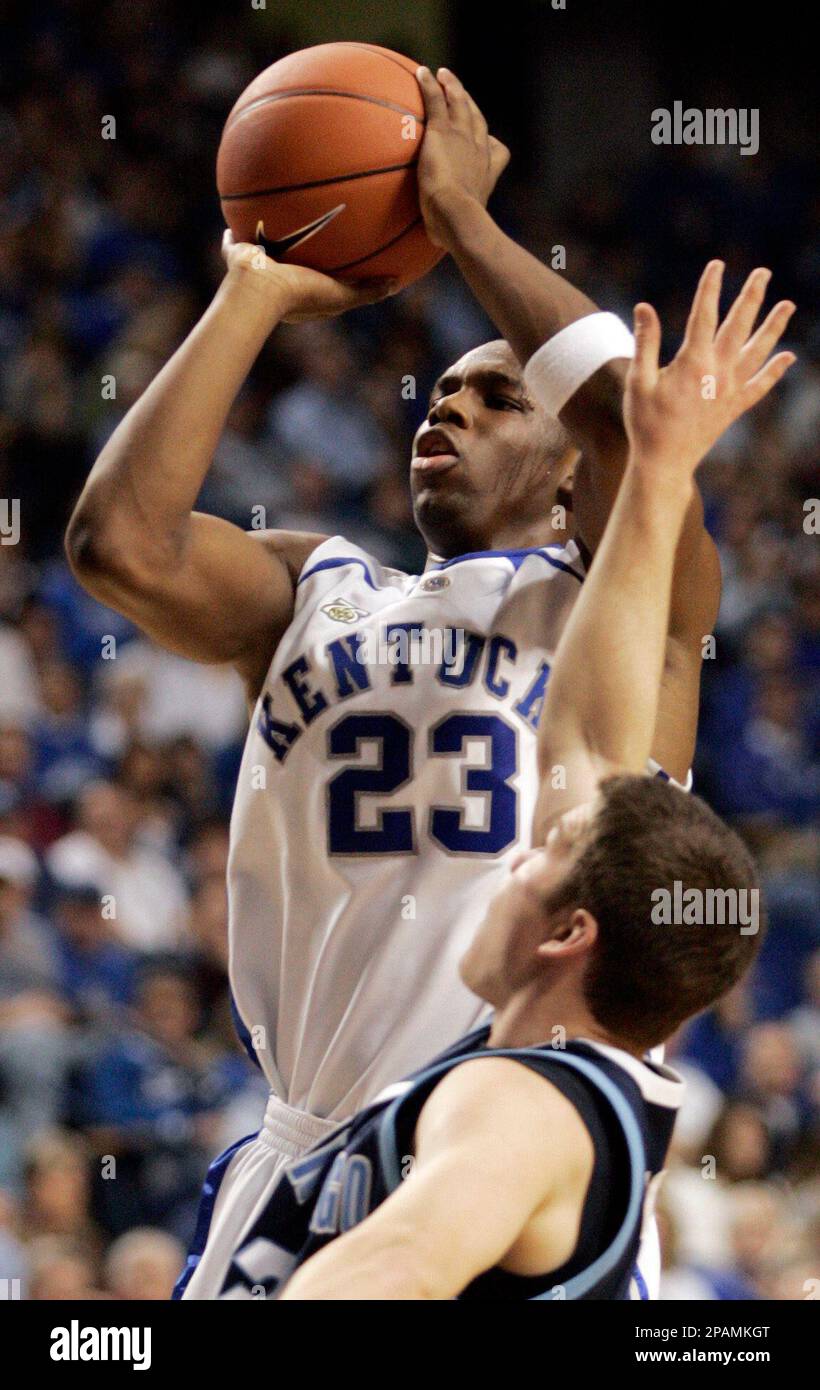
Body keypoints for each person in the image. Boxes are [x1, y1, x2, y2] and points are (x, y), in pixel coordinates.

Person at [65, 68, 778, 1296]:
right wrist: (251, 293)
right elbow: (117, 546)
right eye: (440, 393)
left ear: (571, 473)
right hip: (307, 1140)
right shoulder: (317, 585)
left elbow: (636, 426)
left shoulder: (620, 603)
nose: (446, 408)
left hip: (514, 1117)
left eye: (497, 397)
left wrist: (461, 225)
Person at [207, 263, 792, 1300]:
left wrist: (466, 224)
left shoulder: (526, 1108)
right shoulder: (534, 1075)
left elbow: (392, 1272)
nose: (520, 849)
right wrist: (660, 459)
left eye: (540, 854)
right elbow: (582, 751)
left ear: (570, 930)